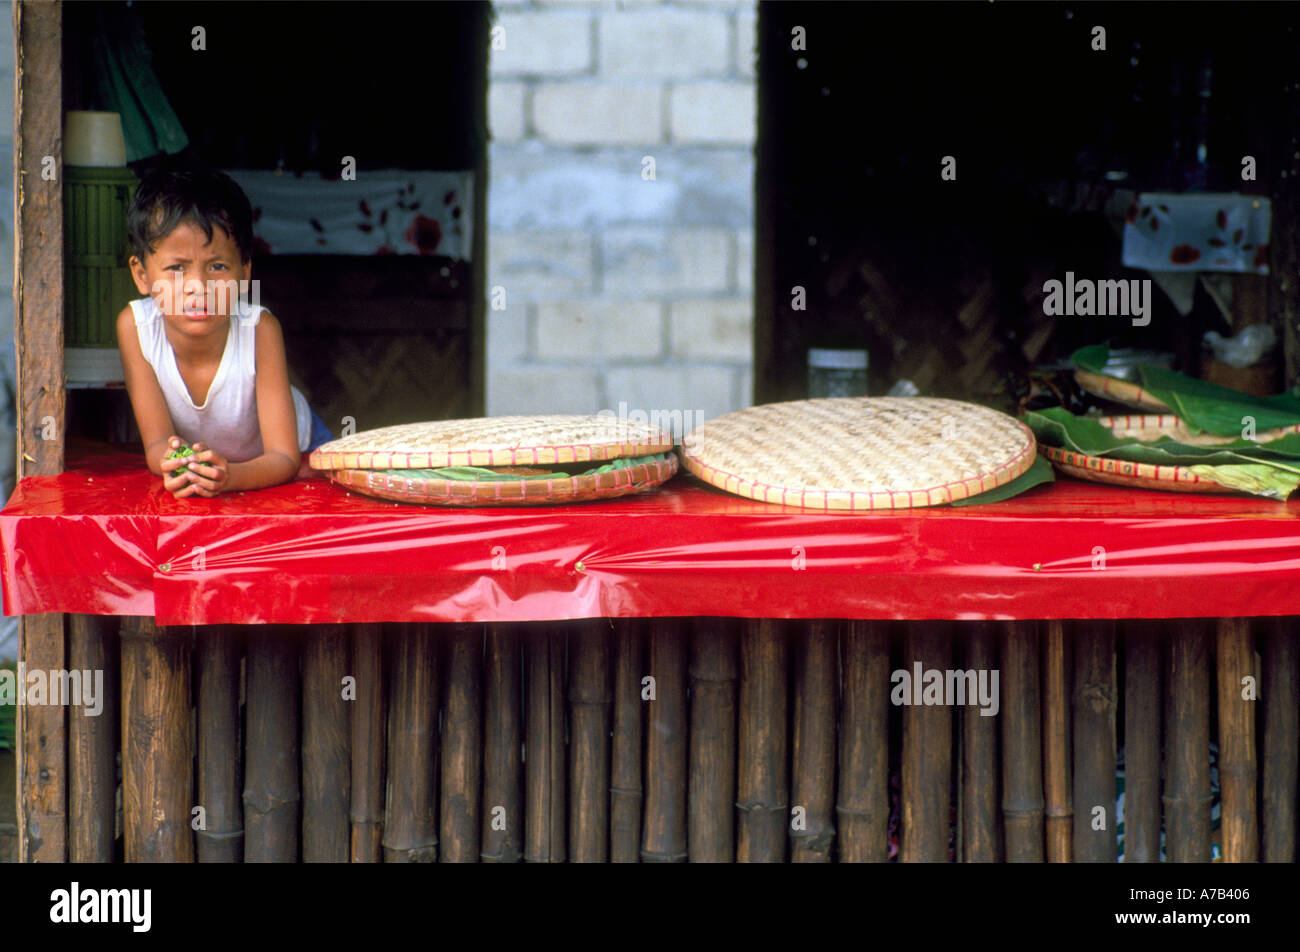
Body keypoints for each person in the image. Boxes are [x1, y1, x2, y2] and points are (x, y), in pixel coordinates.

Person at [116, 165, 333, 497]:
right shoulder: (135, 328)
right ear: (142, 275)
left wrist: (229, 478)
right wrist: (179, 465)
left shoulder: (259, 330)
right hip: (217, 470)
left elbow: (284, 457)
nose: (198, 287)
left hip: (300, 452)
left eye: (217, 266)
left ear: (245, 271)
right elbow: (158, 442)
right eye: (176, 268)